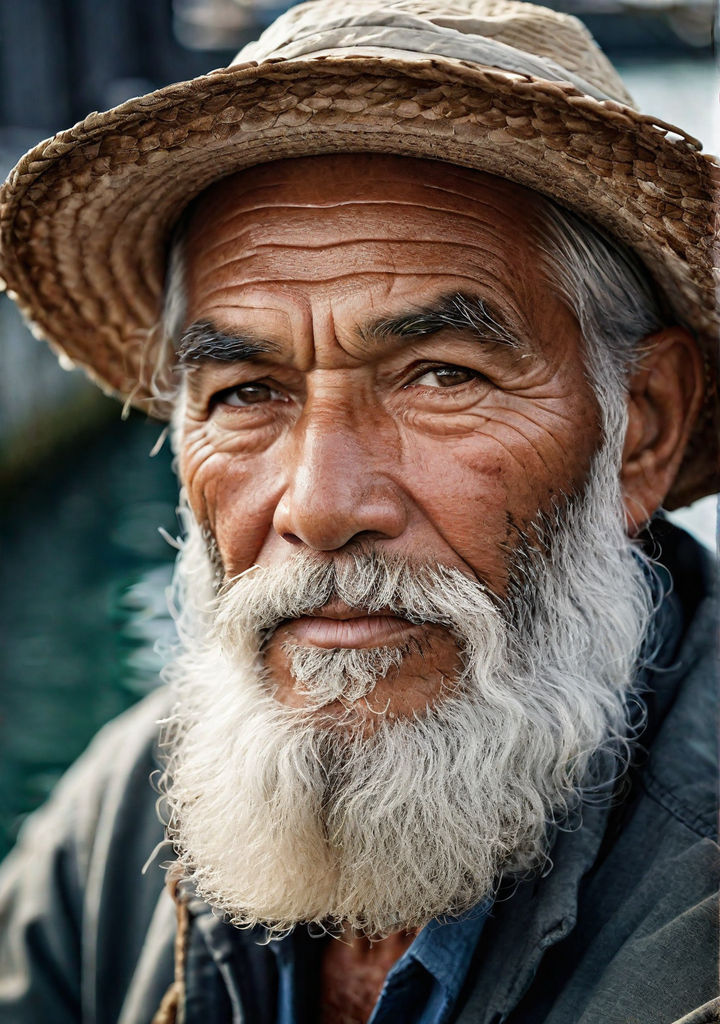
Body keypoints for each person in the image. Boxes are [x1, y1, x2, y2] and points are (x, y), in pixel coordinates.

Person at [0, 1, 717, 1022]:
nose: (320, 505)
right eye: (246, 392)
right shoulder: (125, 815)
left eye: (440, 375)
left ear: (638, 428)